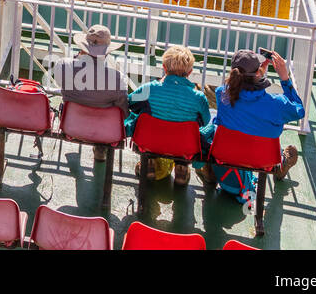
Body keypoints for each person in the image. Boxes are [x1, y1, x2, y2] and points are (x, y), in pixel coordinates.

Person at [198, 48, 302, 196]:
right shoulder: (276, 104)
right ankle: (280, 164)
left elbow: (238, 97)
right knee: (265, 130)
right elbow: (298, 110)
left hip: (226, 153)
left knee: (218, 126)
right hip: (263, 160)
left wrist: (257, 75)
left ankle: (211, 171)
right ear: (258, 73)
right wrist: (285, 79)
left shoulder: (222, 94)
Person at [124, 45, 210, 185]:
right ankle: (182, 166)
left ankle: (149, 161)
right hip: (184, 147)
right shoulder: (199, 97)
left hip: (149, 141)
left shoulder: (149, 88)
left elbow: (130, 103)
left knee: (141, 116)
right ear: (190, 72)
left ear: (164, 68)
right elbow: (205, 121)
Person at [50, 25, 134, 162]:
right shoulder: (117, 79)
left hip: (71, 126)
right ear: (107, 52)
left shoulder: (63, 66)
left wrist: (77, 59)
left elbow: (62, 83)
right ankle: (101, 147)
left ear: (83, 48)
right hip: (105, 131)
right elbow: (123, 112)